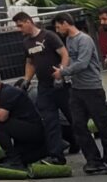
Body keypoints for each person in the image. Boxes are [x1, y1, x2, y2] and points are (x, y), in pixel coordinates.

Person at [50, 12, 107, 175]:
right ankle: (94, 160)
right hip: (77, 89)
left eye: (58, 27)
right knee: (78, 125)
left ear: (65, 23)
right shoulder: (69, 40)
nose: (58, 30)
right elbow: (73, 60)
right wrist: (63, 69)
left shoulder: (84, 40)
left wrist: (63, 72)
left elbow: (82, 63)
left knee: (103, 125)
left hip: (92, 88)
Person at [12, 12, 68, 164]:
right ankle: (56, 155)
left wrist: (61, 72)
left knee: (73, 117)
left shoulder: (48, 36)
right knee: (49, 120)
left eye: (20, 25)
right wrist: (27, 80)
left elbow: (64, 54)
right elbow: (30, 62)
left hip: (60, 85)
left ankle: (86, 148)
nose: (19, 29)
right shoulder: (26, 43)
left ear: (28, 21)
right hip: (44, 86)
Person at [0, 76, 46, 172]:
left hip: (33, 130)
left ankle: (15, 162)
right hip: (31, 130)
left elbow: (1, 117)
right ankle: (20, 159)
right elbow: (0, 116)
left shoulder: (7, 92)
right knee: (23, 158)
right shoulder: (5, 92)